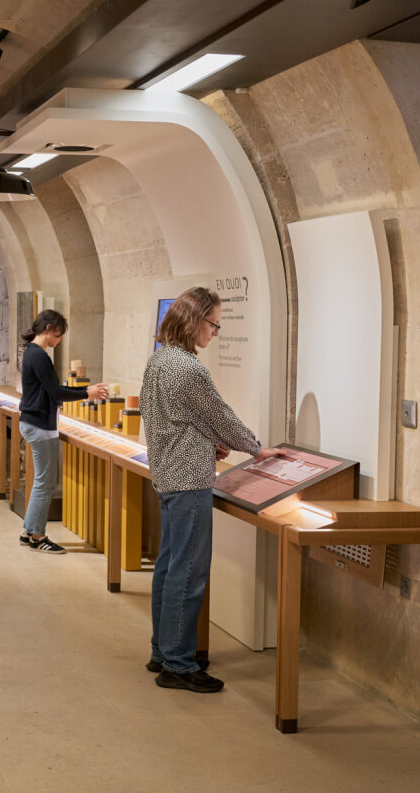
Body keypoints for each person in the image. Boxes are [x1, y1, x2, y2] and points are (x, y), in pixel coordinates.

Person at [140, 286, 282, 694]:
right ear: (194, 320)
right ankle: (179, 664)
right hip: (189, 481)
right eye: (214, 324)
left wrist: (205, 442)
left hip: (168, 474)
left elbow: (176, 418)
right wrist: (256, 448)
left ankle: (162, 651)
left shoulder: (159, 360)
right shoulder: (189, 369)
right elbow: (220, 416)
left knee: (169, 567)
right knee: (189, 572)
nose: (215, 333)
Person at [18, 310, 109, 553]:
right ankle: (37, 536)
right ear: (49, 328)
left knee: (43, 481)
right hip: (39, 425)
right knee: (46, 482)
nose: (59, 341)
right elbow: (56, 392)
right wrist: (87, 393)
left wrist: (84, 392)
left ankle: (29, 530)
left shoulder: (32, 352)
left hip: (34, 422)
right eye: (59, 335)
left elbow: (52, 390)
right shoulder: (39, 355)